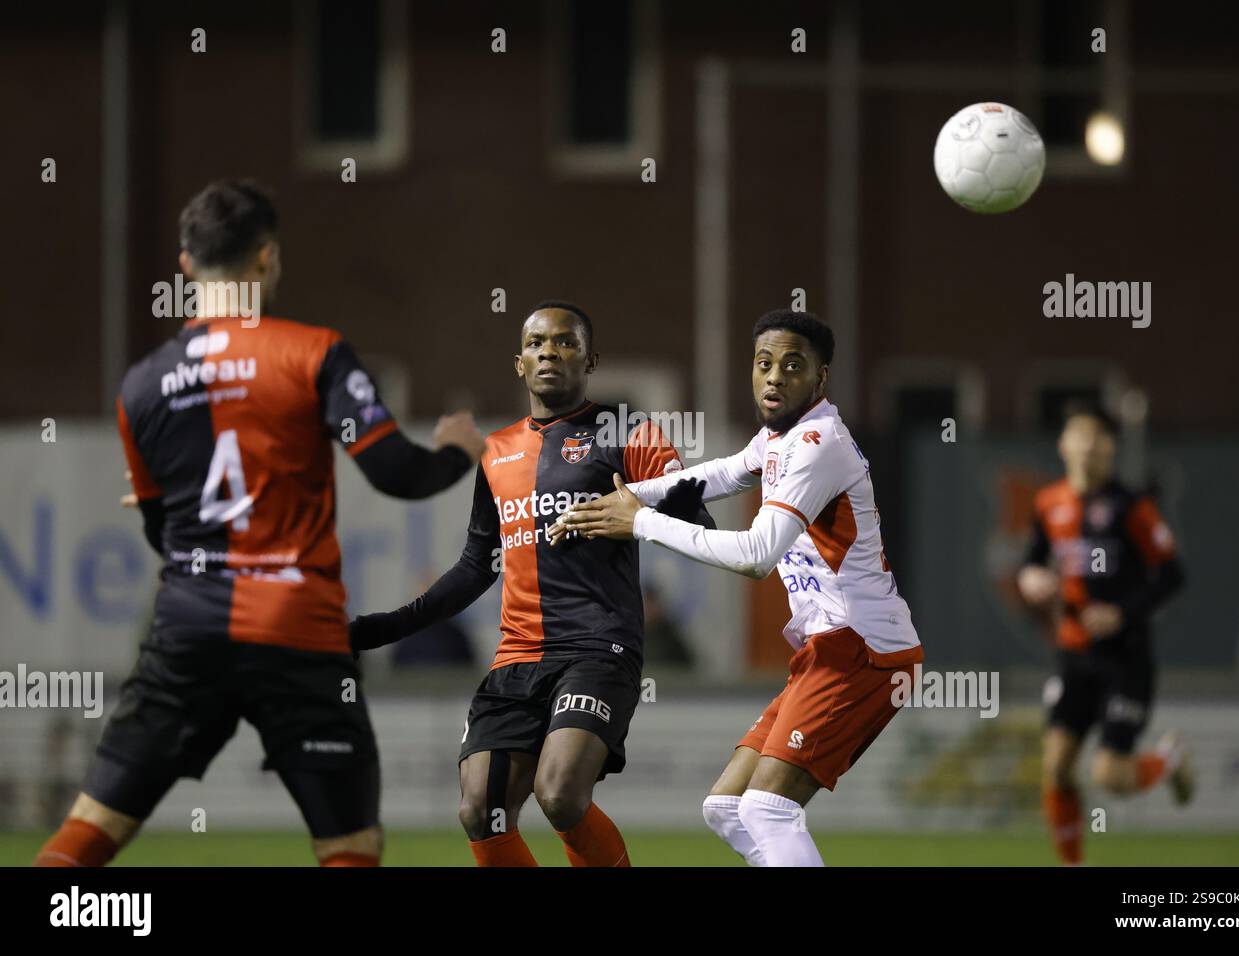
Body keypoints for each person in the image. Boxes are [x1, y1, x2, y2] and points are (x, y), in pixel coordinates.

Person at [35, 180, 483, 868]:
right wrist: (456, 450)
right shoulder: (314, 354)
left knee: (91, 827)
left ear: (186, 265)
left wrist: (179, 517)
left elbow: (160, 536)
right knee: (349, 845)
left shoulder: (141, 385)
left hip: (187, 632)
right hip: (296, 631)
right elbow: (396, 472)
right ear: (267, 256)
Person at [552, 309, 922, 867]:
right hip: (834, 647)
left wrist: (641, 522)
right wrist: (620, 500)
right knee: (727, 807)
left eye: (792, 366)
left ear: (820, 377)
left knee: (768, 810)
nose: (774, 377)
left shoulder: (817, 442)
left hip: (864, 649)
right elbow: (722, 474)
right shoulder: (780, 437)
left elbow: (755, 556)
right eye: (764, 363)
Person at [349, 302, 713, 867]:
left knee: (560, 793)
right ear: (519, 363)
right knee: (480, 811)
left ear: (590, 361)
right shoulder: (495, 452)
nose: (549, 352)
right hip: (518, 655)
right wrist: (387, 627)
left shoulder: (629, 433)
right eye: (537, 343)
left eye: (565, 342)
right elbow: (477, 566)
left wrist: (653, 508)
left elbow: (695, 523)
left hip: (598, 649)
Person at [1016, 404, 1189, 865]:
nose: (1089, 446)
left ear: (1111, 448)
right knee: (1056, 767)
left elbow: (1171, 574)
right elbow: (1031, 562)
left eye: (1098, 437)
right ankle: (1072, 863)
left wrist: (1121, 614)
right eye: (1080, 435)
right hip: (1074, 655)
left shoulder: (1131, 507)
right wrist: (1031, 577)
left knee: (1110, 775)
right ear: (1063, 444)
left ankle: (1168, 760)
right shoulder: (1049, 503)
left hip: (1125, 658)